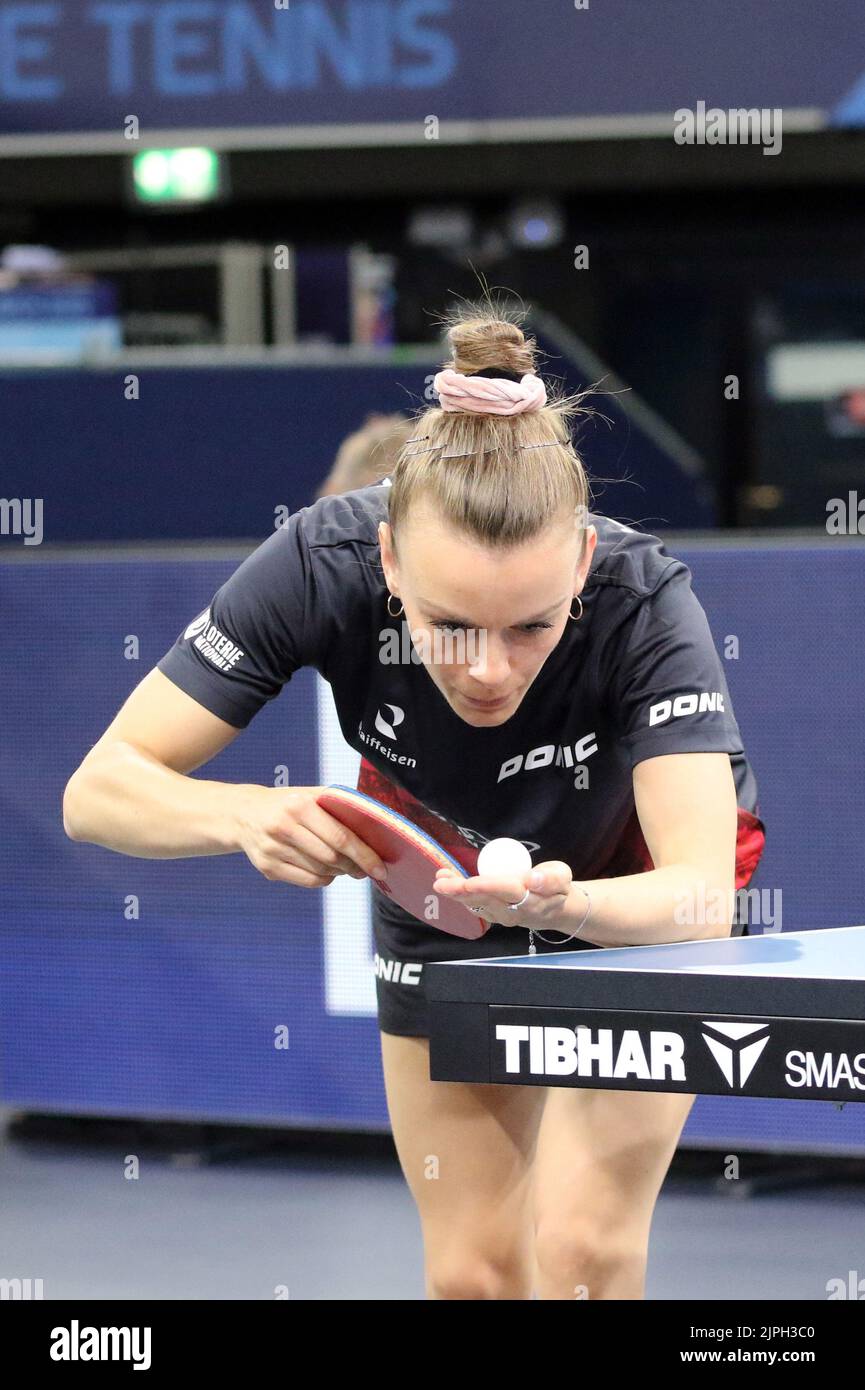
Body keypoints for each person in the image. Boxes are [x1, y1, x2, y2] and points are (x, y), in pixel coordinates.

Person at [63, 303, 765, 1301]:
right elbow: (98, 790)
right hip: (440, 875)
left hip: (628, 891)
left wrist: (566, 909)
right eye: (446, 623)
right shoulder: (319, 562)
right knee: (473, 1275)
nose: (486, 670)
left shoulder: (646, 603)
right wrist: (242, 815)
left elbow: (698, 895)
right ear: (389, 560)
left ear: (578, 564)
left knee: (582, 1257)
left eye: (528, 626)